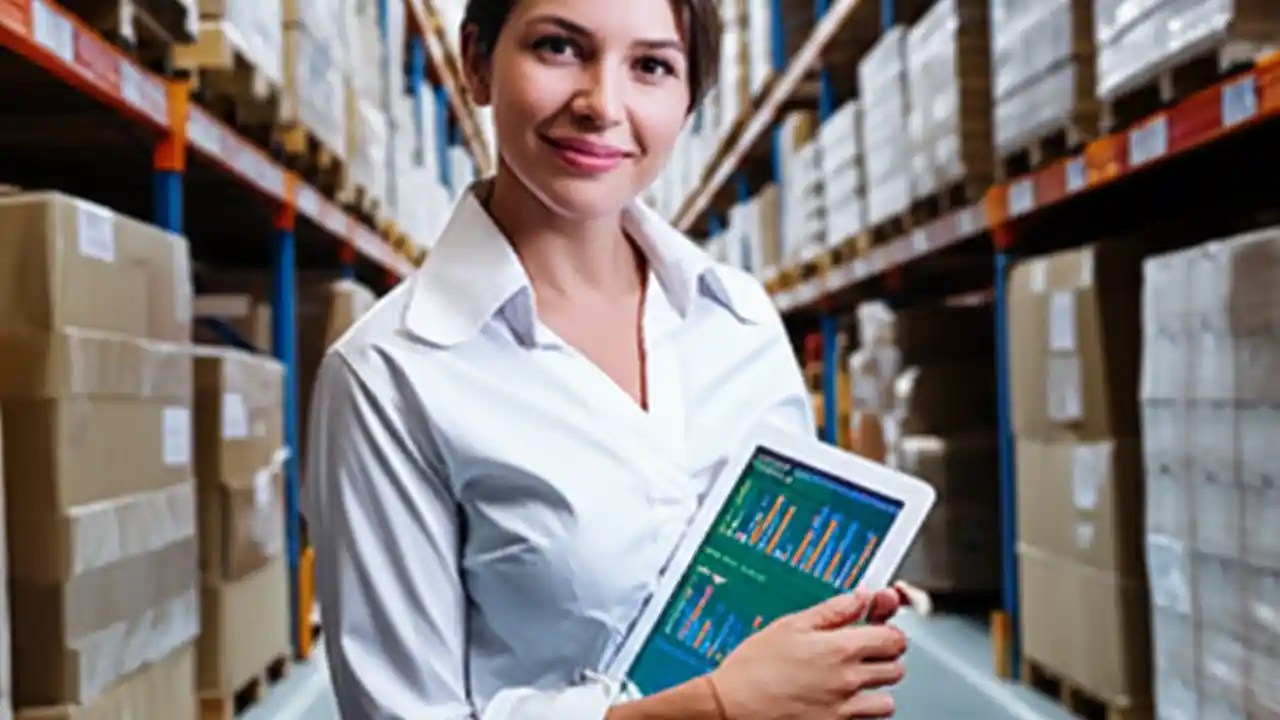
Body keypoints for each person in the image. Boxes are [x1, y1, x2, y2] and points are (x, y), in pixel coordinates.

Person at [305, 0, 911, 717]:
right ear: (475, 62)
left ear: (689, 100)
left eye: (652, 66)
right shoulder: (390, 375)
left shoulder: (740, 322)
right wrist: (714, 707)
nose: (602, 104)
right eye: (559, 48)